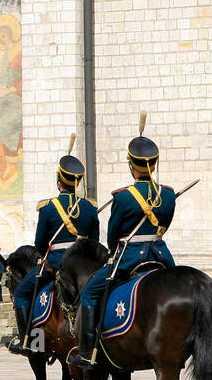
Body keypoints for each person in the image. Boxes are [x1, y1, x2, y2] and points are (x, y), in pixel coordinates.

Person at [70, 132, 177, 367]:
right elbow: (165, 224)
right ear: (154, 164)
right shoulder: (168, 195)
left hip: (129, 257)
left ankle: (87, 351)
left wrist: (112, 250)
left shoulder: (124, 197)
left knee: (89, 293)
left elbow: (114, 234)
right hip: (161, 255)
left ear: (132, 166)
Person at [10, 154, 99, 356]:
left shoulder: (48, 208)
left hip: (57, 264)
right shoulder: (89, 207)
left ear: (59, 182)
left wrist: (46, 255)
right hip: (83, 264)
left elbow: (40, 242)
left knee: (23, 293)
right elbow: (94, 241)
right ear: (76, 183)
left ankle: (30, 343)